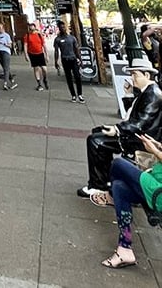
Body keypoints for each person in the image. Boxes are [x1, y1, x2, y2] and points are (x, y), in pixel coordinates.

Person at [77, 56, 162, 197]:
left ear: (147, 75)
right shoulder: (148, 91)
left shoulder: (153, 94)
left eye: (135, 74)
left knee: (96, 141)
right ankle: (104, 179)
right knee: (97, 134)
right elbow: (133, 114)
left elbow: (140, 122)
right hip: (136, 135)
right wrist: (128, 94)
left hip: (141, 141)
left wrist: (117, 130)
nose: (132, 78)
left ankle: (98, 185)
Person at [89, 132, 162, 268]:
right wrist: (158, 146)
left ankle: (110, 196)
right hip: (155, 182)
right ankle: (125, 248)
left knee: (118, 164)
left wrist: (155, 151)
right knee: (120, 188)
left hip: (157, 191)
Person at [53, 20, 85, 102]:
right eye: (61, 27)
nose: (63, 29)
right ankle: (73, 95)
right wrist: (56, 61)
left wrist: (80, 60)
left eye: (64, 27)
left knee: (77, 77)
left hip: (73, 59)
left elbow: (76, 49)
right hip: (65, 60)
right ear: (59, 29)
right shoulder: (57, 39)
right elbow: (56, 51)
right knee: (69, 78)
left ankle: (80, 94)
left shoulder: (72, 38)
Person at [24, 22, 49, 90]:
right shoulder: (27, 35)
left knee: (44, 68)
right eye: (30, 27)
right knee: (36, 68)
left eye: (32, 27)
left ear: (35, 27)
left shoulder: (39, 35)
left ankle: (45, 79)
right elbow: (25, 45)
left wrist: (47, 55)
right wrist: (26, 55)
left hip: (40, 53)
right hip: (32, 54)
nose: (31, 28)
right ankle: (39, 83)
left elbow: (44, 45)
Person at [0, 22, 18, 90]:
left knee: (6, 68)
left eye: (0, 28)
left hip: (5, 51)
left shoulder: (6, 35)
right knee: (5, 67)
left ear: (3, 28)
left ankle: (5, 83)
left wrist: (4, 43)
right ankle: (12, 80)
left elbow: (10, 45)